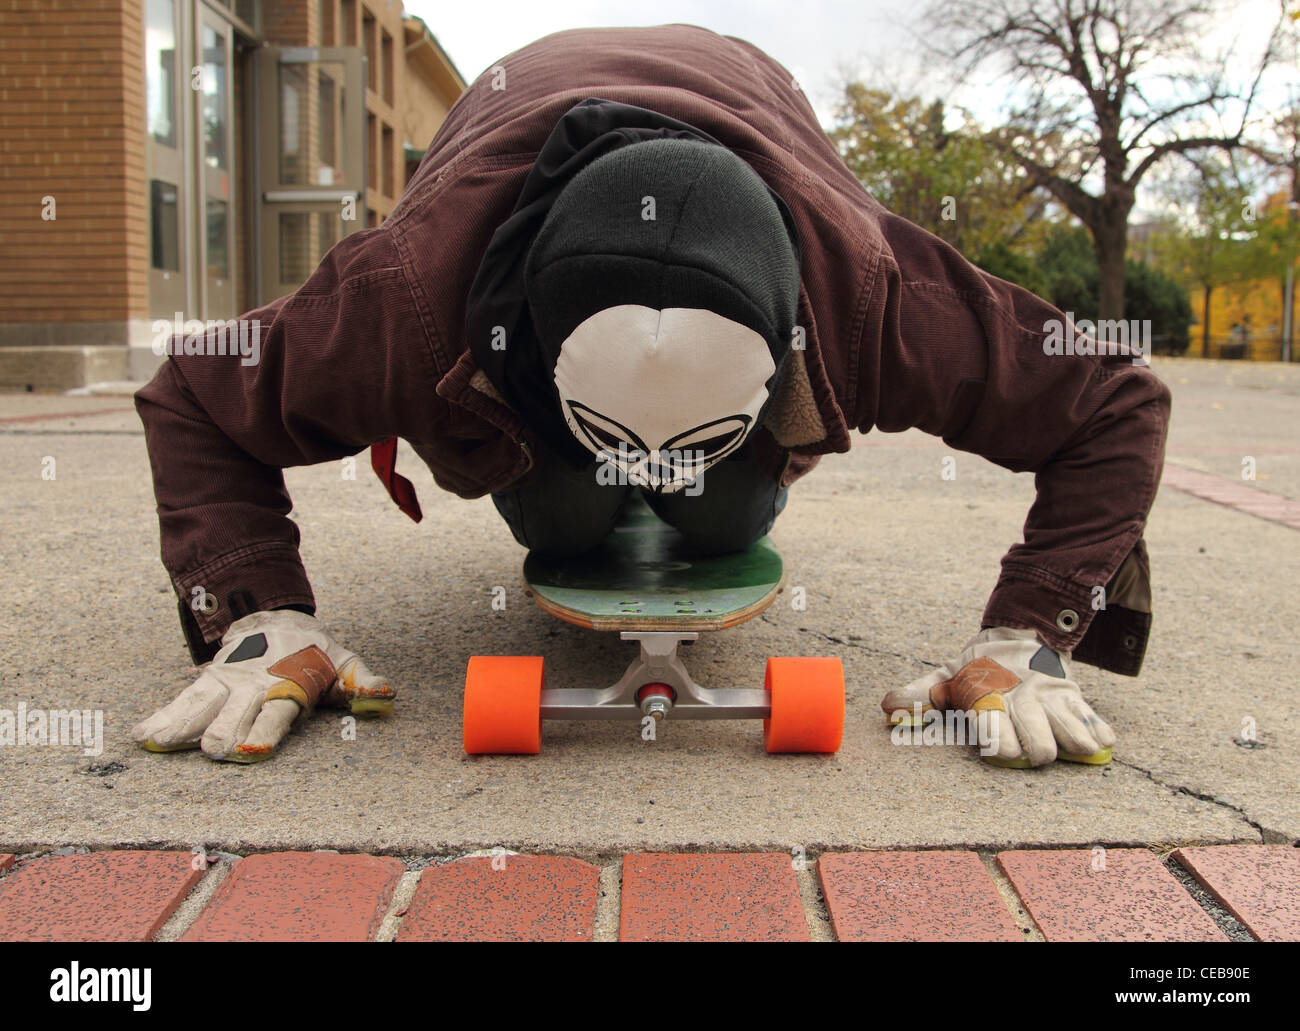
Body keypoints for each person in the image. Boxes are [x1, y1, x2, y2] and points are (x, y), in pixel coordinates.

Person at [131, 24, 1169, 768]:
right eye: (616, 429)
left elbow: (1111, 399)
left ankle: (693, 463)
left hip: (747, 96)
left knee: (712, 511)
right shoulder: (408, 298)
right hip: (509, 103)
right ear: (525, 340)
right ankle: (588, 463)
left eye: (700, 431)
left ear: (791, 341)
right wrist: (258, 614)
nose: (650, 466)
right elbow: (193, 392)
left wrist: (1027, 635)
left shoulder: (866, 289)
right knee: (575, 507)